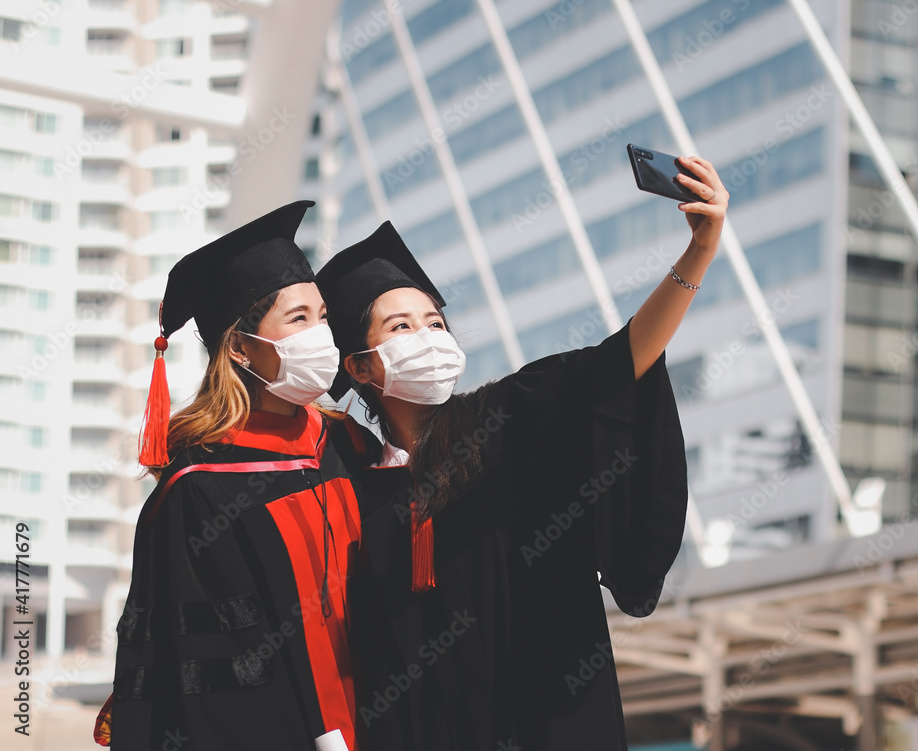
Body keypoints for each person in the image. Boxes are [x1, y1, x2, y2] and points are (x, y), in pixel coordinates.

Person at [315, 156, 728, 750]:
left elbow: (622, 362)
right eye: (400, 328)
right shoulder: (353, 497)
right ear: (358, 366)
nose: (428, 337)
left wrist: (698, 255)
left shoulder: (508, 421)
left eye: (435, 322)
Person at [96, 201, 378, 751]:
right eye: (298, 319)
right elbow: (205, 675)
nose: (321, 334)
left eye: (323, 316)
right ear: (240, 347)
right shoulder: (200, 487)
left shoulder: (348, 444)